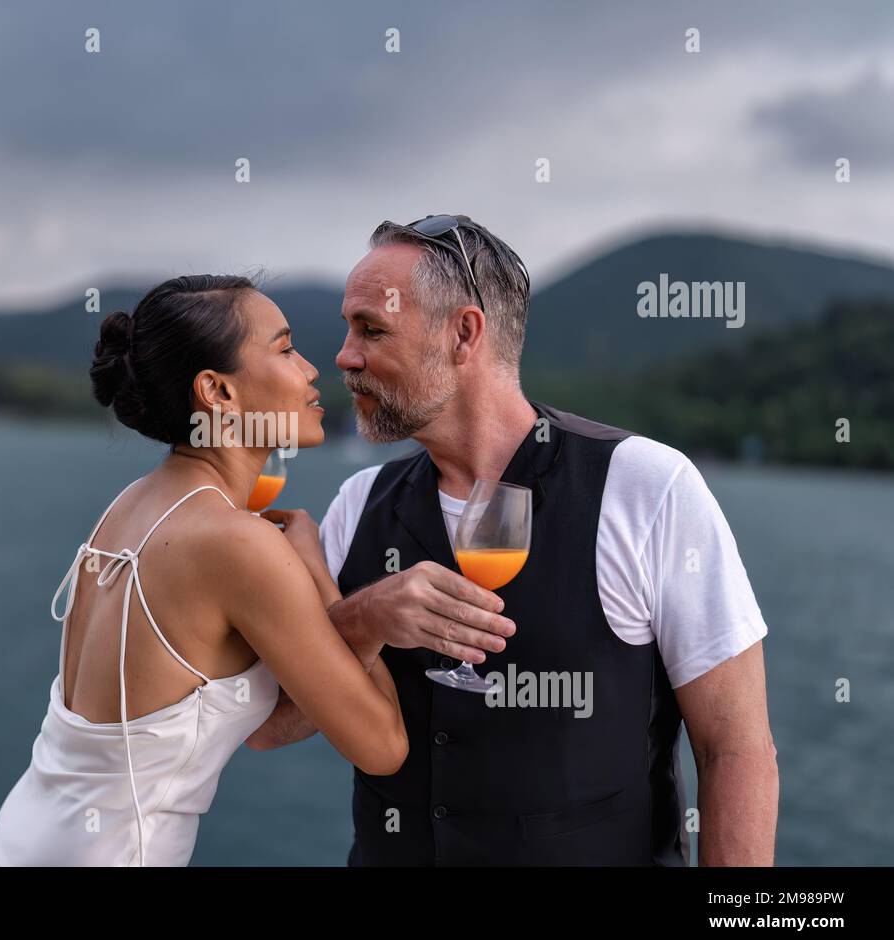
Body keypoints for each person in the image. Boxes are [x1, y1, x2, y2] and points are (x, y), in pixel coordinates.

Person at [248, 214, 779, 866]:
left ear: (463, 334)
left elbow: (736, 748)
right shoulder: (358, 506)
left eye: (371, 329)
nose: (343, 355)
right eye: (347, 328)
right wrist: (365, 619)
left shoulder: (649, 487)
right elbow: (273, 723)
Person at [0, 274, 406, 866]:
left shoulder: (130, 505)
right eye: (283, 349)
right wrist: (337, 589)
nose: (310, 369)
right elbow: (382, 746)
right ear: (217, 392)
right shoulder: (237, 544)